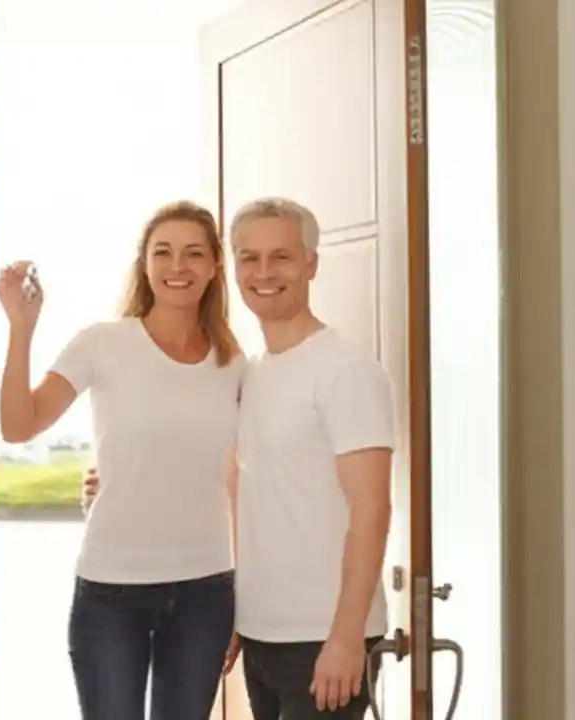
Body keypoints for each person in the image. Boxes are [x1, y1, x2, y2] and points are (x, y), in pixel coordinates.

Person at [83, 197, 395, 719]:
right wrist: (113, 483)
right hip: (260, 633)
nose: (264, 272)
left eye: (282, 257)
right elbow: (235, 486)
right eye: (249, 258)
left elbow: (372, 510)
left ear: (311, 263)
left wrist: (346, 638)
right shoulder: (249, 372)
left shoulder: (345, 369)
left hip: (324, 639)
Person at [0, 200, 245, 720]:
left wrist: (251, 587)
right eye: (164, 252)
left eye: (194, 253)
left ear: (215, 266)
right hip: (112, 593)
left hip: (206, 592)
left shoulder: (232, 363)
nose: (179, 266)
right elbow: (19, 425)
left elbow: (240, 478)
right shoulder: (102, 344)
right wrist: (22, 328)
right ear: (145, 264)